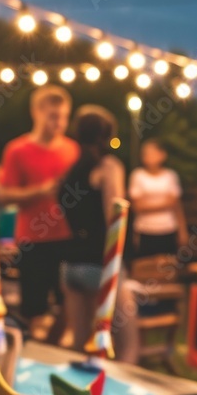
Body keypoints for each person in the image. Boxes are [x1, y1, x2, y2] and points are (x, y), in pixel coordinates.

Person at [58, 105, 138, 364]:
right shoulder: (109, 166)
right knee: (127, 346)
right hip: (101, 263)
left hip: (70, 265)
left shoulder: (71, 172)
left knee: (81, 346)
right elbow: (113, 216)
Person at [0, 86, 79, 340]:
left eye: (64, 116)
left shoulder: (73, 150)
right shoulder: (17, 150)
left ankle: (52, 347)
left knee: (71, 299)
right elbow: (4, 195)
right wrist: (41, 190)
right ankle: (32, 353)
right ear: (36, 112)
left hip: (68, 236)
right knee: (34, 306)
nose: (59, 122)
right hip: (33, 238)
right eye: (53, 116)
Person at [129, 139, 188, 258]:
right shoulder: (137, 175)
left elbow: (176, 204)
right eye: (145, 153)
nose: (148, 157)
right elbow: (136, 206)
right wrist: (165, 203)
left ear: (162, 155)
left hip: (168, 229)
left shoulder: (171, 176)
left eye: (152, 153)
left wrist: (182, 231)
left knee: (167, 266)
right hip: (144, 230)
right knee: (145, 267)